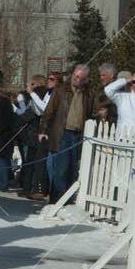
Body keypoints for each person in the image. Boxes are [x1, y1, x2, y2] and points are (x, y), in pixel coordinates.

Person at [42, 63, 92, 200]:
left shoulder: (88, 94)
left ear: (86, 79)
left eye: (81, 78)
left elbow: (90, 114)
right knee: (60, 169)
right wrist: (43, 129)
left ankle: (68, 200)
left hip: (78, 135)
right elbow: (49, 111)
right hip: (62, 133)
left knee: (72, 169)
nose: (77, 80)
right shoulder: (61, 90)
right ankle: (56, 200)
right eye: (76, 76)